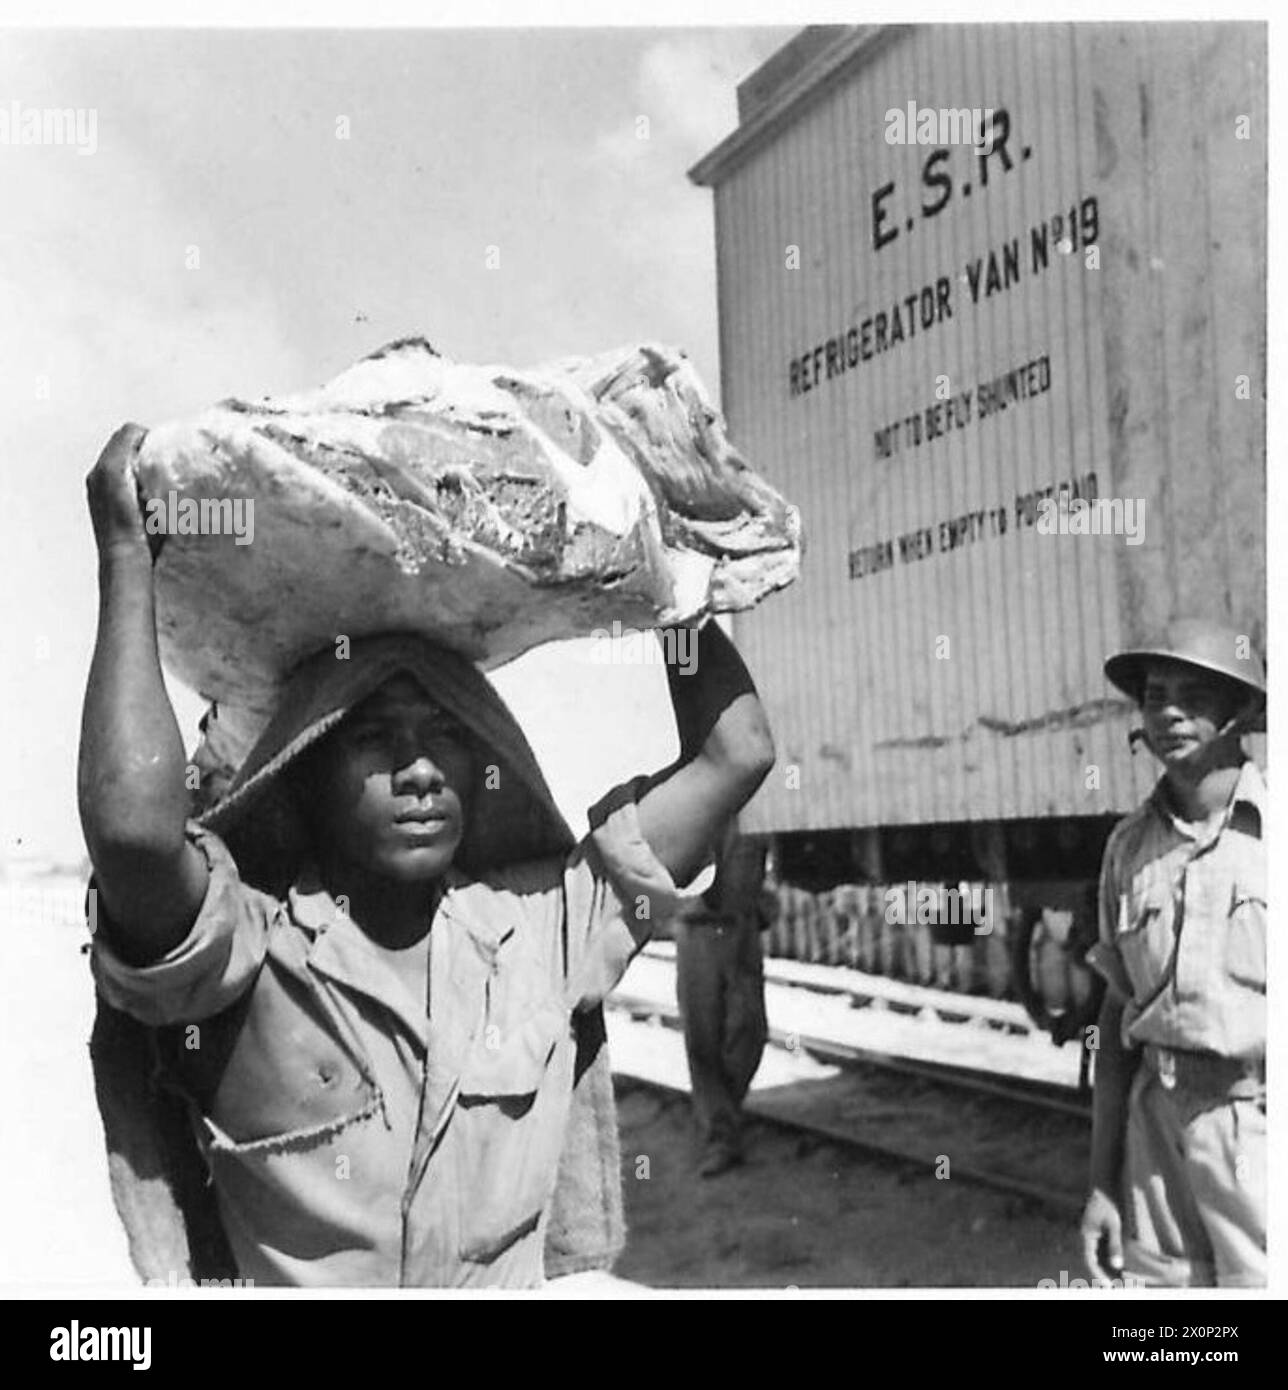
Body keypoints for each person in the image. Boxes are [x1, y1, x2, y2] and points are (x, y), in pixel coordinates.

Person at [78, 422, 775, 1288]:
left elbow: (736, 755)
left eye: (445, 732)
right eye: (373, 739)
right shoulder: (243, 957)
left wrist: (662, 573)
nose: (418, 770)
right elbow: (136, 838)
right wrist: (124, 558)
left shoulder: (545, 926)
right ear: (304, 773)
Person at [1080, 619, 1266, 1288]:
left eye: (1193, 695)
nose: (1167, 712)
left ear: (1240, 710)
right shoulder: (1128, 850)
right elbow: (1112, 1027)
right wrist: (1103, 1185)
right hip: (1154, 1130)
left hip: (1260, 1128)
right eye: (1155, 695)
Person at [671, 820, 772, 1176]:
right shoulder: (684, 782)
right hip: (696, 924)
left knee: (751, 1029)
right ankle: (720, 1134)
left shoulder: (753, 789)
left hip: (741, 921)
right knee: (704, 1038)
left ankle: (724, 1118)